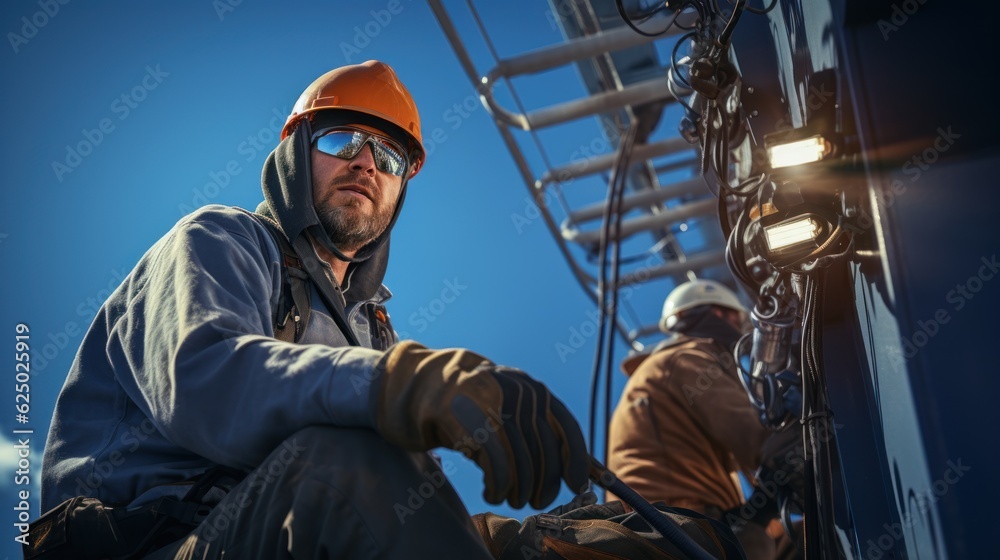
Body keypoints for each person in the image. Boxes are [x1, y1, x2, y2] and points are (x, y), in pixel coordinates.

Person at [31, 60, 589, 559]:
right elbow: (206, 383)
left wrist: (512, 542)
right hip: (156, 541)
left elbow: (401, 509)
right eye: (344, 141)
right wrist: (399, 384)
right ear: (298, 151)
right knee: (351, 462)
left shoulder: (373, 332)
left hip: (289, 532)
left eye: (389, 156)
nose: (366, 163)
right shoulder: (220, 240)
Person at [606, 278, 801, 560]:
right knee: (815, 537)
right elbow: (754, 437)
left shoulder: (662, 367)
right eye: (734, 318)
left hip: (668, 526)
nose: (738, 328)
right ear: (714, 313)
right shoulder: (685, 357)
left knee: (806, 536)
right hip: (676, 528)